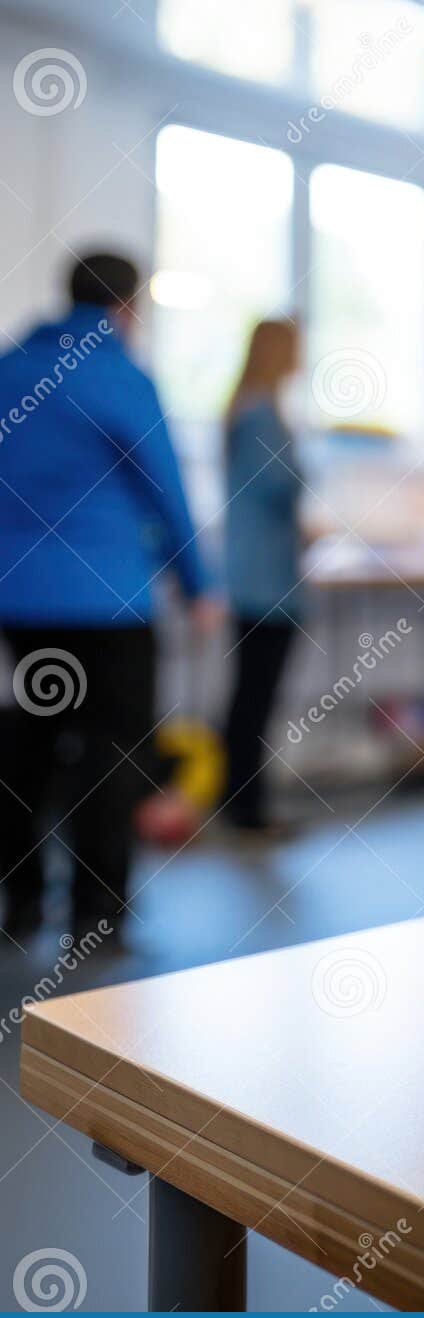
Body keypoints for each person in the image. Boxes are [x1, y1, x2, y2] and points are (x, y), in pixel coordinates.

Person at [0, 251, 217, 944]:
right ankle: (97, 914)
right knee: (113, 752)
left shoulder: (10, 371)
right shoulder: (120, 374)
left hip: (22, 604)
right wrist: (200, 584)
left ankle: (22, 903)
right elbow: (167, 487)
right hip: (111, 603)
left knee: (27, 748)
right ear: (126, 307)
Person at [220, 319, 304, 835]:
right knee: (256, 699)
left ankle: (242, 803)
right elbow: (281, 488)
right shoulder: (262, 418)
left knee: (246, 697)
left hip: (249, 575)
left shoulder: (242, 411)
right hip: (268, 583)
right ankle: (247, 809)